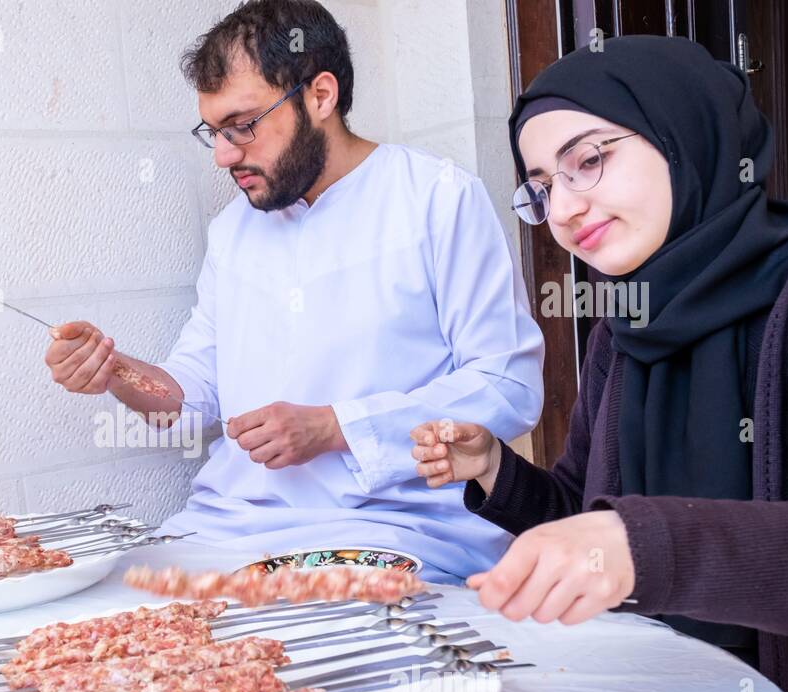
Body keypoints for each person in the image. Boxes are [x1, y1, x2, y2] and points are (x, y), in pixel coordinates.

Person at [44, 0, 543, 584]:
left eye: (244, 125)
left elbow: (507, 386)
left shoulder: (437, 198)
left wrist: (335, 428)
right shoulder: (233, 231)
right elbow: (196, 396)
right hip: (229, 527)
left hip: (393, 528)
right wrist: (115, 372)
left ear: (320, 96)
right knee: (112, 623)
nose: (225, 155)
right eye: (215, 131)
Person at [409, 36, 788, 692]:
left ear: (682, 132)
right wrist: (495, 469)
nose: (560, 211)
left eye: (586, 161)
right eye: (540, 189)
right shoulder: (623, 332)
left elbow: (633, 541)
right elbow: (583, 512)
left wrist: (647, 546)